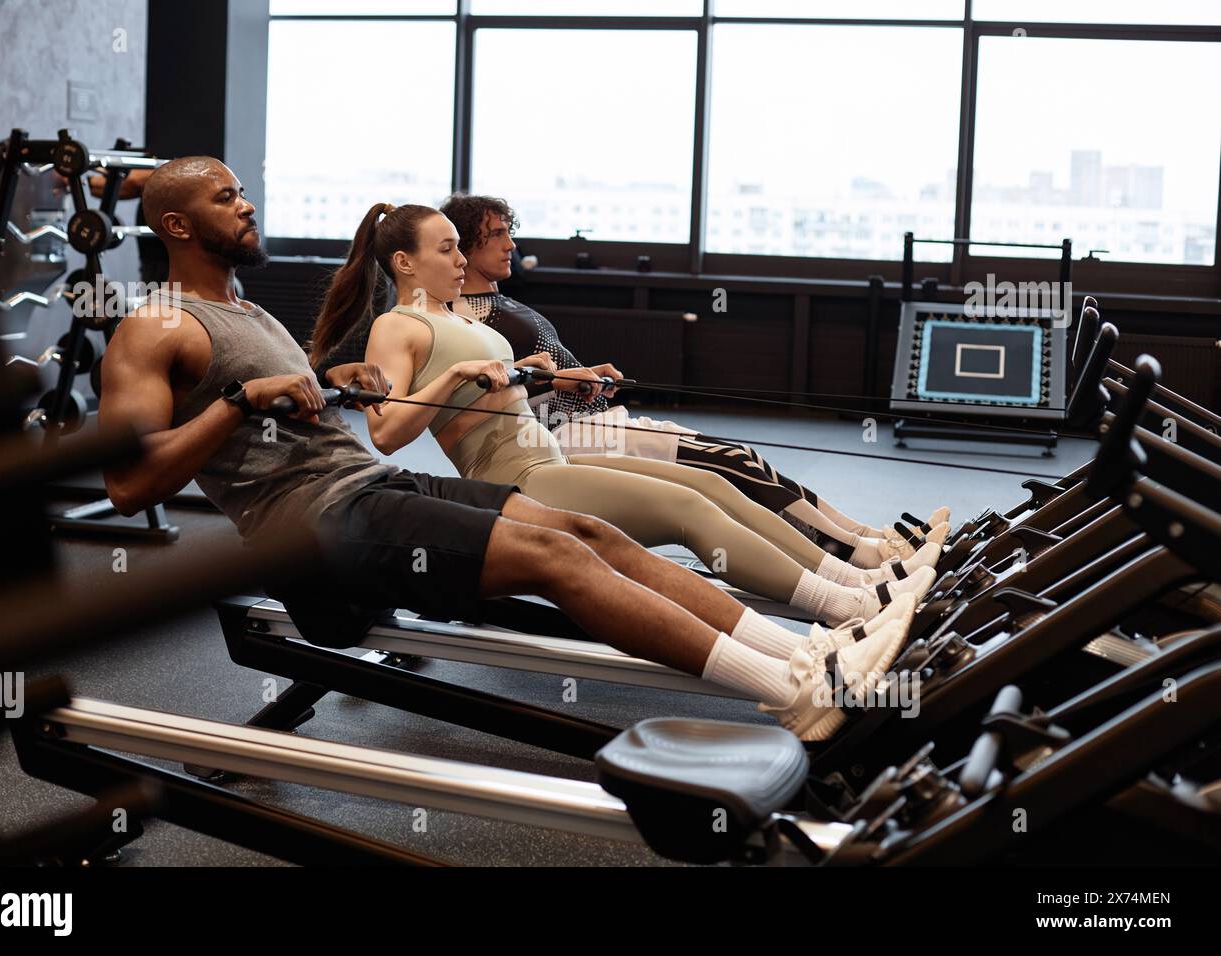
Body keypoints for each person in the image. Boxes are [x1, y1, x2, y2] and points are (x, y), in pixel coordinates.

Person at [97, 155, 916, 741]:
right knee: (559, 561)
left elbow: (297, 403)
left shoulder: (248, 310)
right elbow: (130, 484)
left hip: (367, 486)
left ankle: (814, 650)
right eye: (223, 198)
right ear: (175, 223)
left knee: (592, 534)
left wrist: (326, 374)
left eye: (242, 192)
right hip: (311, 529)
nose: (245, 205)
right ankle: (792, 691)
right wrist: (243, 400)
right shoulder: (152, 326)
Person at [310, 202, 938, 630]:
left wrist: (545, 372)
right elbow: (387, 432)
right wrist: (453, 374)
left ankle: (864, 582)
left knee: (710, 481)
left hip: (547, 452)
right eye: (446, 251)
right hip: (516, 478)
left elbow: (497, 393)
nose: (458, 261)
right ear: (404, 263)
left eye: (457, 249)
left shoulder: (457, 316)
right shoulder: (400, 324)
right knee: (688, 510)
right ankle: (846, 606)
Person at [438, 193, 951, 566]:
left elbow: (533, 371)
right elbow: (501, 386)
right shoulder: (467, 316)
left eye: (509, 232)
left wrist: (583, 375)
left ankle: (869, 537)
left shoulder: (498, 302)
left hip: (596, 419)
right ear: (466, 241)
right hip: (568, 437)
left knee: (740, 460)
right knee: (732, 465)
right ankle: (860, 554)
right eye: (497, 234)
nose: (511, 244)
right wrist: (559, 382)